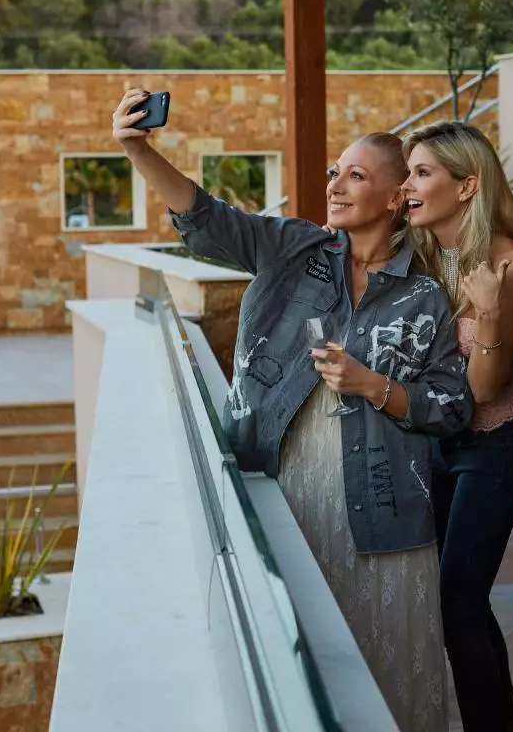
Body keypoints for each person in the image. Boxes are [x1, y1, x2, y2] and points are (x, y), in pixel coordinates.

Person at [111, 89, 472, 731]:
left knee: (389, 675)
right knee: (308, 666)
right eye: (335, 171)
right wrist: (140, 150)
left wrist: (371, 385)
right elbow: (208, 219)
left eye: (355, 175)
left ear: (395, 199)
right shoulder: (294, 251)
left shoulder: (426, 294)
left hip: (382, 509)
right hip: (287, 487)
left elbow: (452, 407)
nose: (334, 184)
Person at [399, 120, 513, 732]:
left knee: (459, 601)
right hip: (438, 440)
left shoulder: (507, 261)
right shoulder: (428, 252)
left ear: (467, 186)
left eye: (422, 172)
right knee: (447, 600)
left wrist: (484, 312)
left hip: (493, 444)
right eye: (407, 171)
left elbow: (485, 388)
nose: (407, 185)